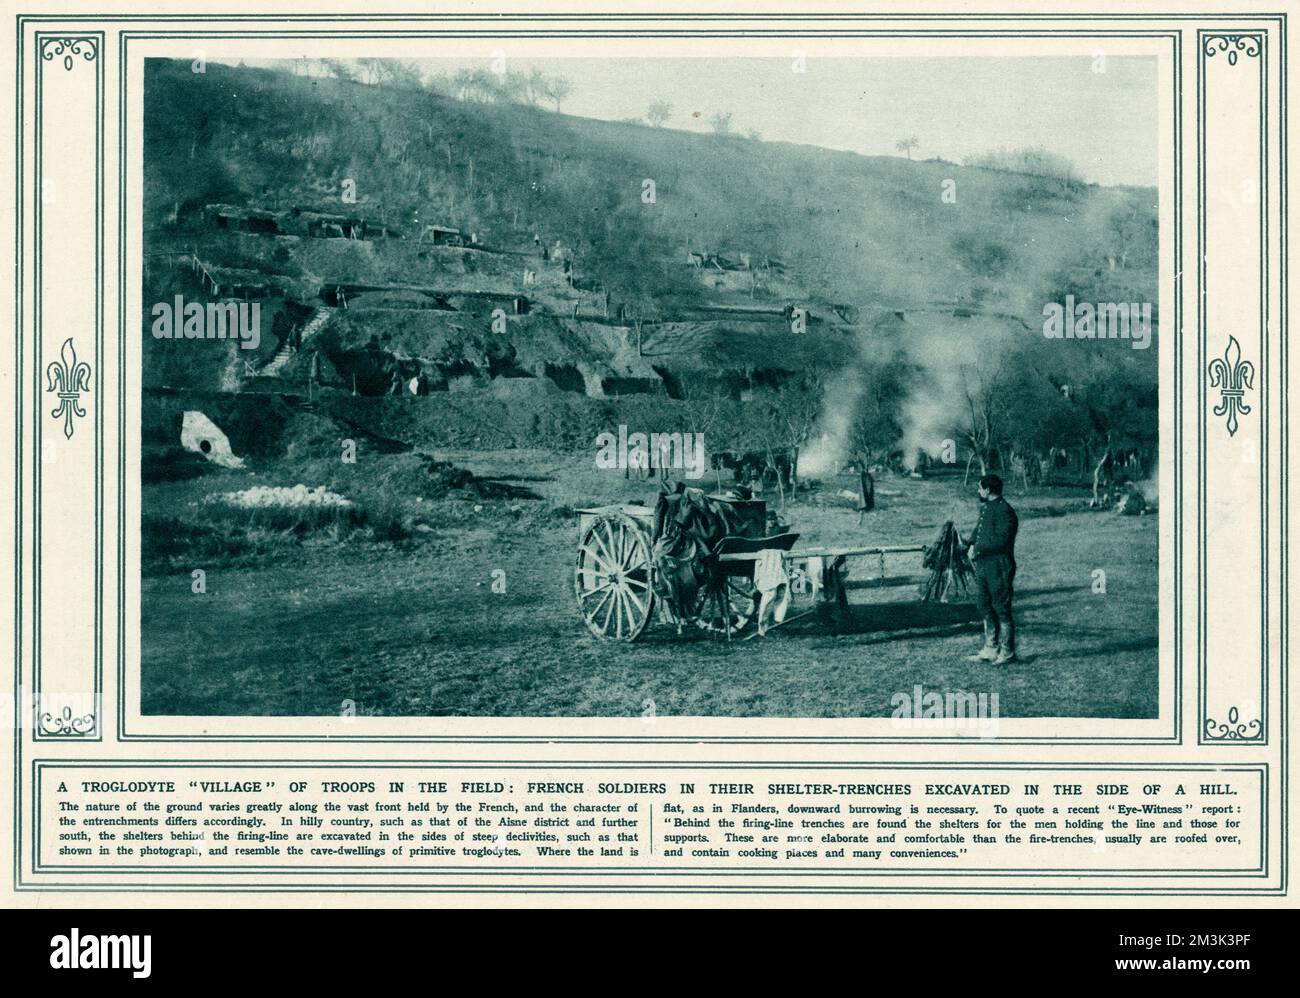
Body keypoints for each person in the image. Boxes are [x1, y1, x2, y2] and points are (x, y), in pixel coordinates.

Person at [966, 473, 1018, 664]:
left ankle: (1007, 652)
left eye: (980, 488)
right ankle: (990, 648)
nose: (978, 491)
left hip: (999, 566)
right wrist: (970, 543)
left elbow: (1001, 541)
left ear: (988, 490)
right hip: (984, 564)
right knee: (985, 605)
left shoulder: (1005, 511)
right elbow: (979, 531)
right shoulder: (987, 507)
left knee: (1001, 608)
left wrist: (977, 548)